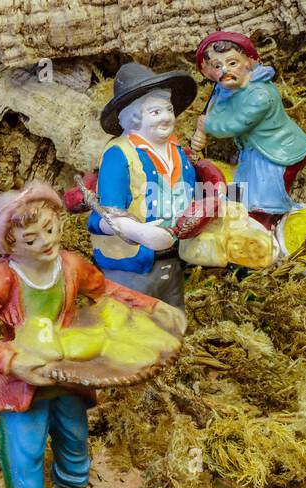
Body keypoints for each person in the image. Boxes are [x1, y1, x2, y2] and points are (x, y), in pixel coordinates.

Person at [0, 183, 185, 488]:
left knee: (74, 437)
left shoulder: (70, 265)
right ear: (9, 245)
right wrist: (9, 360)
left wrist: (153, 306)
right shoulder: (4, 278)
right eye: (30, 239)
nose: (46, 242)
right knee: (25, 450)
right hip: (25, 379)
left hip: (70, 370)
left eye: (50, 229)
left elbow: (107, 290)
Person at [89, 62, 200, 310]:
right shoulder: (119, 154)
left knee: (173, 322)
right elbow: (106, 216)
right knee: (133, 326)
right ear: (134, 116)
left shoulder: (177, 151)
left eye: (169, 110)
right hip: (130, 267)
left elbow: (190, 192)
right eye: (155, 112)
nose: (167, 117)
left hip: (173, 260)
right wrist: (141, 233)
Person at [191, 31, 306, 229]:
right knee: (244, 185)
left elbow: (237, 124)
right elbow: (219, 104)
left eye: (232, 63)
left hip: (277, 153)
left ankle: (266, 227)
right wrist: (204, 125)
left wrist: (209, 125)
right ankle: (242, 215)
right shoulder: (227, 87)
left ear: (248, 62)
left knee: (265, 194)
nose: (225, 70)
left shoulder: (260, 95)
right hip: (254, 151)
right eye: (217, 66)